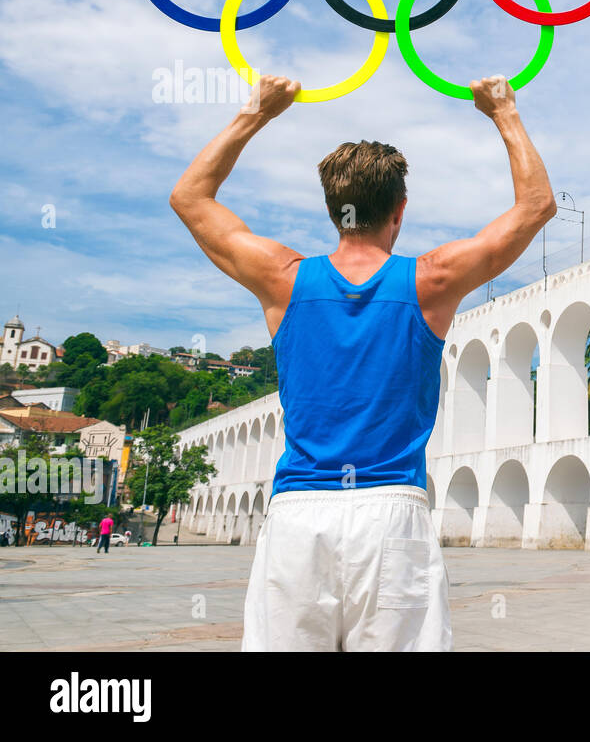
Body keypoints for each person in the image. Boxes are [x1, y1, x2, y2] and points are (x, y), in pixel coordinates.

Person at [169, 74, 555, 652]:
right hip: (392, 515)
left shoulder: (284, 279)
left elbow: (190, 198)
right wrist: (504, 111)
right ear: (399, 211)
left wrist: (258, 111)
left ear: (334, 210)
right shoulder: (431, 281)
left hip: (300, 514)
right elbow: (536, 206)